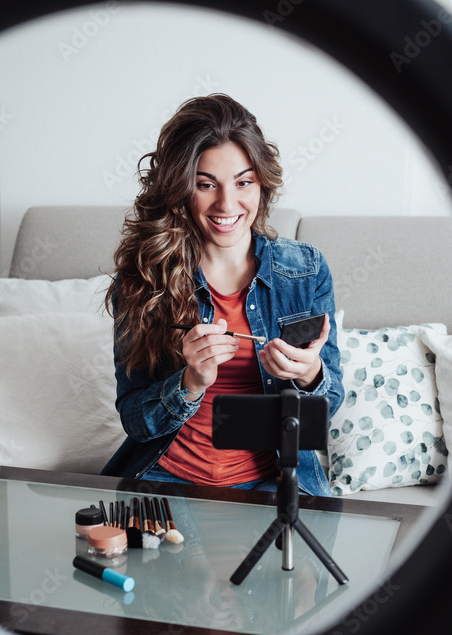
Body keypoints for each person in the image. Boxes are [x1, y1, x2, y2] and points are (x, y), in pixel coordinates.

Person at [100, 93, 342, 497]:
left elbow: (330, 402)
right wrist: (190, 381)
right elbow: (135, 419)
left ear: (262, 184)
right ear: (180, 189)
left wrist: (308, 374)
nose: (227, 204)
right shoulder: (144, 277)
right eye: (205, 185)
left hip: (273, 484)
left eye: (243, 182)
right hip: (166, 480)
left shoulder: (306, 270)